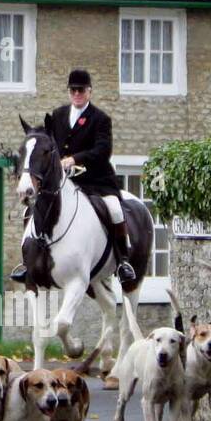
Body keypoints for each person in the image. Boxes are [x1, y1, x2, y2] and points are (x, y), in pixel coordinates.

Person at [11, 69, 135, 283]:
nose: (77, 94)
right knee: (31, 210)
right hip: (63, 182)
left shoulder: (100, 119)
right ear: (69, 92)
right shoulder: (57, 115)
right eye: (73, 90)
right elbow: (47, 146)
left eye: (81, 90)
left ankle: (123, 261)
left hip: (95, 181)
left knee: (114, 209)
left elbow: (103, 150)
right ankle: (28, 261)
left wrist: (74, 159)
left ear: (89, 92)